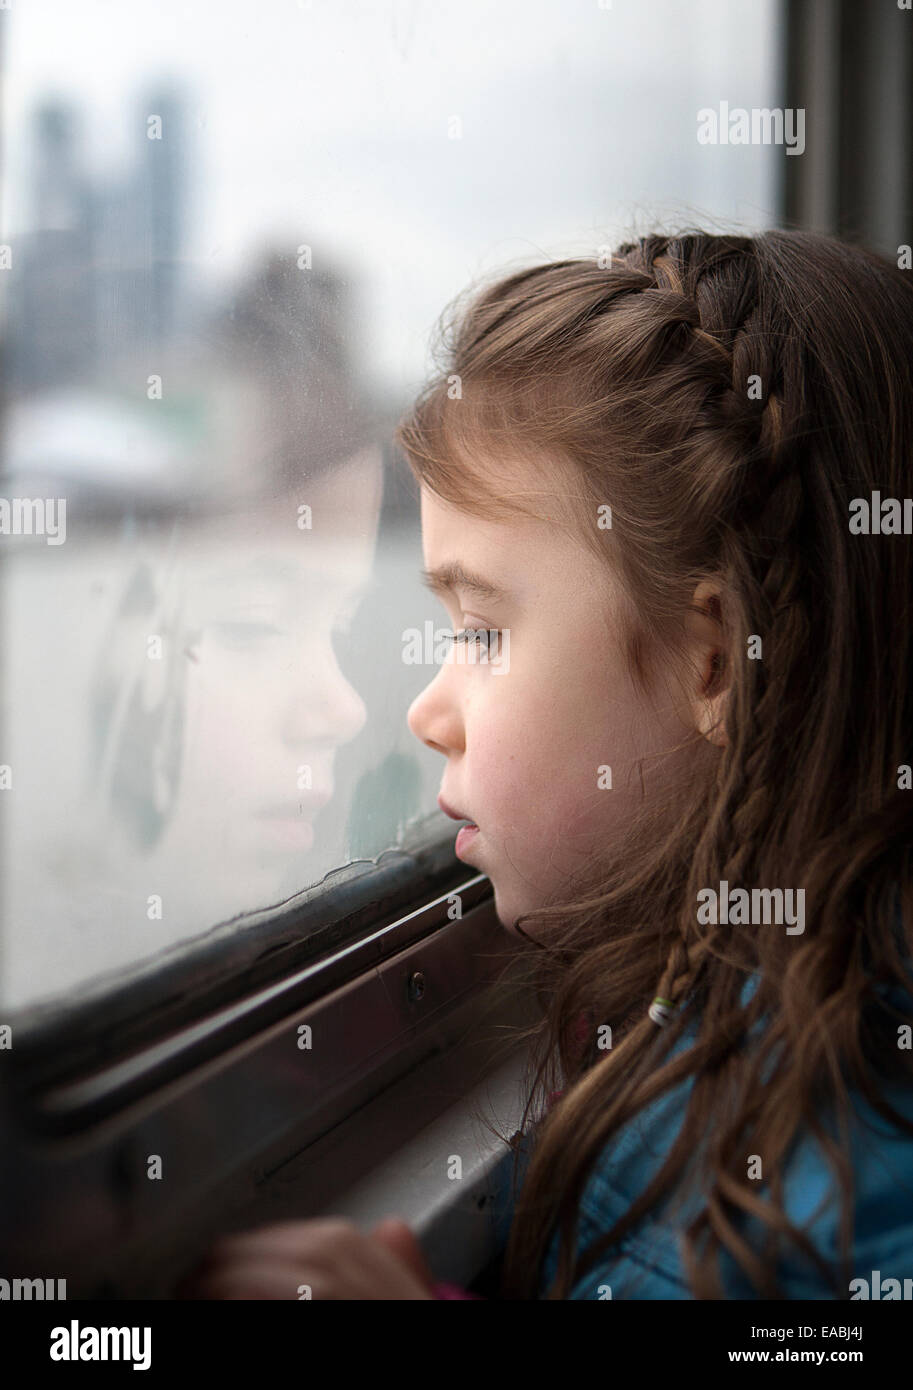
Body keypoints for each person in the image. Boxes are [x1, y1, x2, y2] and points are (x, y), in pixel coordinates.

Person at [178, 229, 913, 1299]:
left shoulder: (789, 1224)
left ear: (714, 661)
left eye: (479, 631)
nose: (427, 712)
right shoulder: (718, 1043)